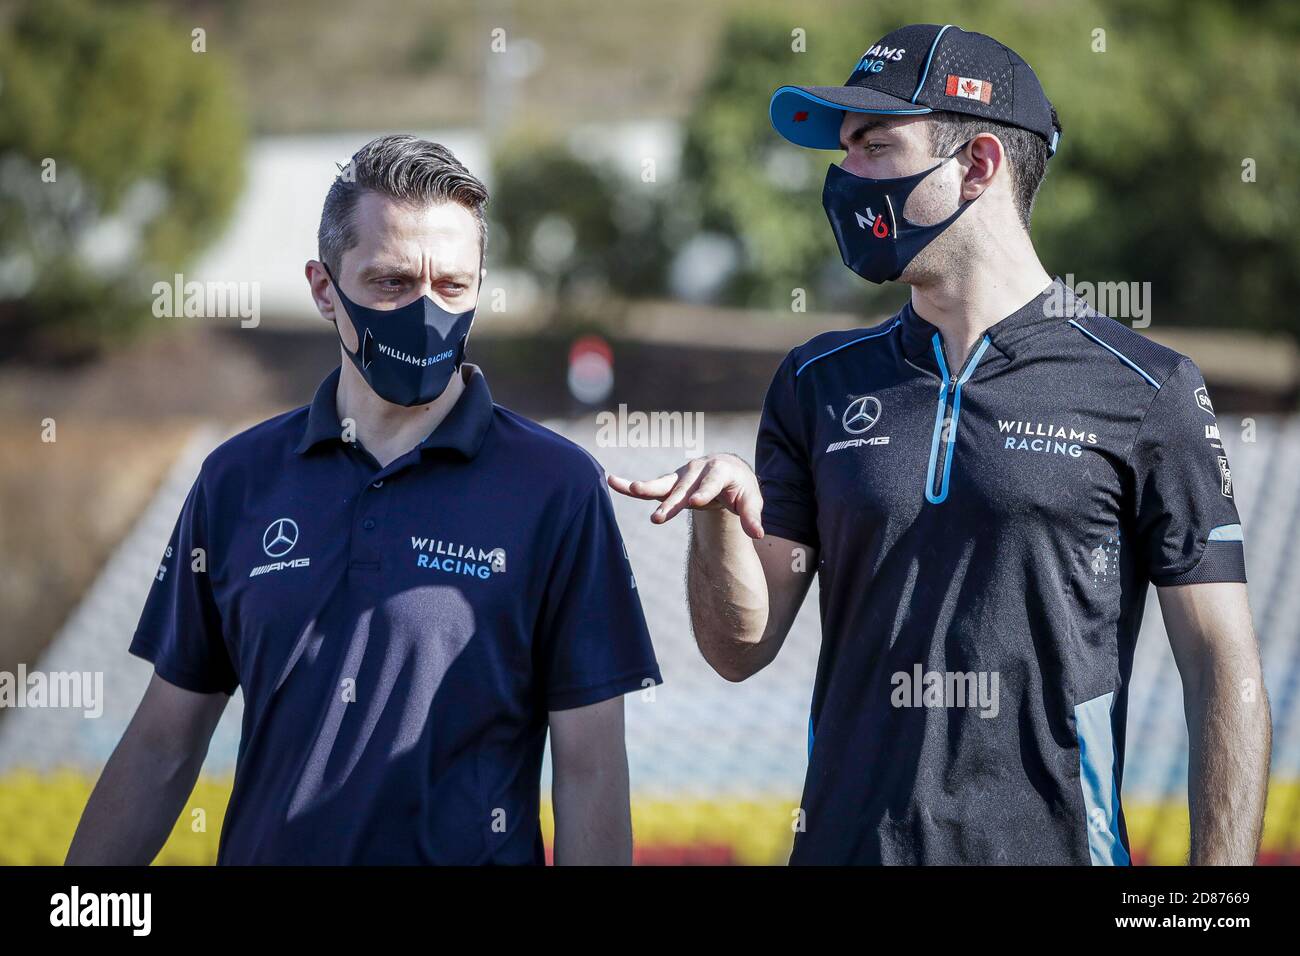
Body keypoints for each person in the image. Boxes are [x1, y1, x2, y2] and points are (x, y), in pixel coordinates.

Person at [611, 24, 1270, 865]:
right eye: (844, 151)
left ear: (979, 164)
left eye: (875, 146)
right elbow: (739, 649)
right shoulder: (817, 381)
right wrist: (720, 522)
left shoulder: (1147, 388)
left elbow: (1222, 668)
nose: (845, 177)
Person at [68, 135, 661, 865]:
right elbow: (163, 744)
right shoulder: (237, 480)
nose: (425, 310)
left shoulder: (557, 488)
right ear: (325, 289)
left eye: (452, 286)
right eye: (391, 283)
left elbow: (591, 768)